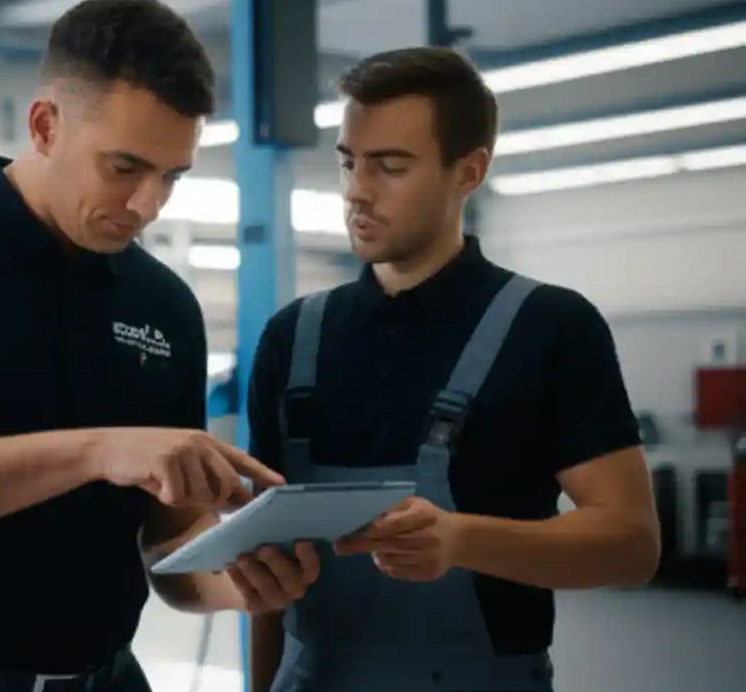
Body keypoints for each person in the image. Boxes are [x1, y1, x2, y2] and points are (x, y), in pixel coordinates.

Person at [0, 0, 319, 692]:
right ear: (45, 124)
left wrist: (241, 578)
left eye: (171, 176)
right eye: (124, 167)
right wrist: (102, 450)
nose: (148, 205)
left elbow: (170, 545)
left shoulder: (164, 306)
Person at [244, 47, 662, 692]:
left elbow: (631, 543)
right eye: (349, 162)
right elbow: (267, 568)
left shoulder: (551, 327)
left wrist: (462, 541)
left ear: (469, 171)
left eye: (390, 166)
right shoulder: (291, 337)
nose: (357, 189)